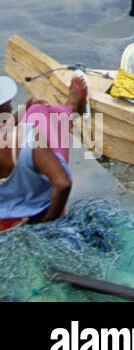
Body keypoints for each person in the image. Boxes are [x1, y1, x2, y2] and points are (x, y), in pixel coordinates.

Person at [0, 71, 87, 231]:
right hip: (35, 217)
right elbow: (62, 184)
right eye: (7, 103)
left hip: (4, 225)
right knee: (39, 112)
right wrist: (48, 220)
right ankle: (71, 110)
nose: (11, 105)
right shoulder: (29, 137)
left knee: (34, 111)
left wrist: (24, 110)